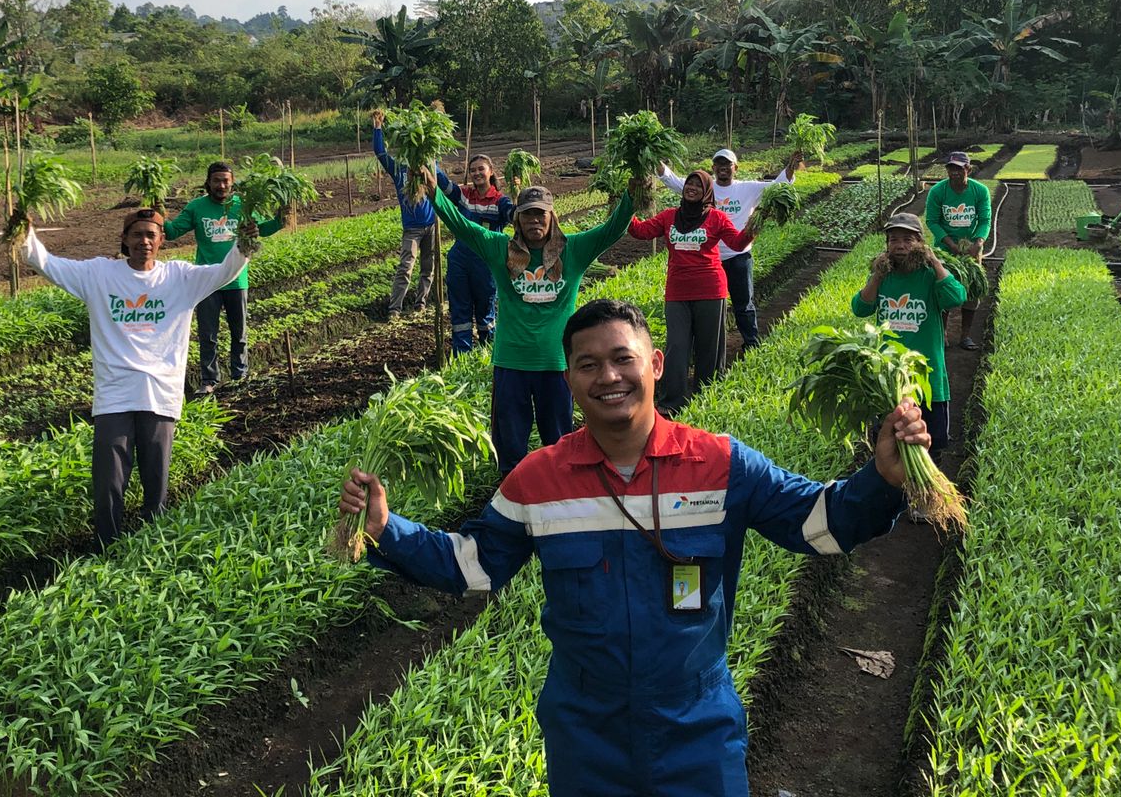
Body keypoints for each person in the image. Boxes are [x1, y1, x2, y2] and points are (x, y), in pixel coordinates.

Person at [338, 298, 929, 797]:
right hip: (585, 729)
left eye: (624, 359)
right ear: (567, 378)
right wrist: (387, 526)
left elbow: (818, 524)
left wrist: (880, 478)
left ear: (656, 364)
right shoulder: (536, 481)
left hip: (696, 724)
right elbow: (472, 567)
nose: (608, 377)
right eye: (588, 364)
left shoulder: (721, 465)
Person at [19, 208, 252, 546]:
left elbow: (227, 271)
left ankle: (150, 548)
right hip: (114, 395)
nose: (144, 240)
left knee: (156, 483)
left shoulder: (180, 278)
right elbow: (47, 263)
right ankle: (106, 548)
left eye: (151, 235)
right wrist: (24, 233)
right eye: (137, 234)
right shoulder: (99, 275)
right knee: (108, 482)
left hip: (159, 394)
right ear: (125, 240)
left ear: (161, 240)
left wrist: (245, 241)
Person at [431, 178, 633, 476]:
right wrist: (432, 191)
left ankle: (562, 495)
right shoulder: (500, 249)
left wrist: (634, 189)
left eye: (541, 214)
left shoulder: (573, 250)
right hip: (511, 364)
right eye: (527, 214)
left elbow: (613, 229)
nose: (535, 220)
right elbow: (461, 225)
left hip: (556, 365)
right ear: (517, 219)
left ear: (552, 217)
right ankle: (512, 499)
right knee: (510, 447)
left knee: (560, 442)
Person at [627, 170, 755, 416]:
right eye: (689, 183)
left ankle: (707, 397)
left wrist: (756, 224)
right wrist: (623, 207)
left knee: (709, 348)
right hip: (677, 292)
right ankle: (671, 401)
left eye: (698, 185)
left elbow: (738, 244)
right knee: (677, 347)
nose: (692, 188)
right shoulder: (669, 217)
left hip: (710, 289)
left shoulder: (716, 218)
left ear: (706, 191)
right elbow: (640, 232)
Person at [659, 146, 801, 353]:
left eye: (728, 164)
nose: (723, 168)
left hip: (738, 256)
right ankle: (704, 348)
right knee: (709, 306)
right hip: (708, 259)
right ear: (713, 167)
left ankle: (751, 343)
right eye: (719, 164)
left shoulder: (748, 188)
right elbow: (671, 179)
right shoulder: (704, 188)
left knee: (744, 302)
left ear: (736, 168)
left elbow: (779, 185)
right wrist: (653, 158)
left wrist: (791, 166)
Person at [850, 212, 965, 456]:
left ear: (920, 244)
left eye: (908, 239)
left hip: (928, 380)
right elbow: (860, 308)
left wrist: (935, 262)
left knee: (928, 451)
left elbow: (957, 297)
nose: (900, 245)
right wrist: (877, 275)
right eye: (893, 240)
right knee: (889, 449)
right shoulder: (884, 277)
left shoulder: (929, 276)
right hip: (889, 379)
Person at [163, 160, 283, 392]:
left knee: (239, 332)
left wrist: (280, 218)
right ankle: (210, 381)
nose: (221, 185)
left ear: (232, 182)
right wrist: (159, 217)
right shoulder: (197, 207)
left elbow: (263, 228)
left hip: (236, 279)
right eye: (216, 180)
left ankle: (240, 375)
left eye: (225, 180)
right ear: (208, 183)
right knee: (208, 334)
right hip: (207, 280)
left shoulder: (242, 205)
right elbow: (174, 231)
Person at [434, 154, 514, 353]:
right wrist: (428, 159)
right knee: (459, 309)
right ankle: (462, 353)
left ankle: (488, 351)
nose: (477, 173)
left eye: (481, 169)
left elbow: (515, 216)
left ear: (491, 172)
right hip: (460, 259)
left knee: (485, 309)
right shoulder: (465, 195)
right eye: (473, 170)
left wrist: (519, 196)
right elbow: (443, 184)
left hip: (486, 263)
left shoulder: (500, 201)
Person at [923, 150, 991, 350]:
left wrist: (978, 243)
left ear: (968, 169)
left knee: (972, 290)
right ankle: (942, 334)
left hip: (972, 249)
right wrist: (951, 245)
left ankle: (965, 336)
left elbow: (985, 220)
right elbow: (932, 221)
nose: (955, 172)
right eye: (951, 168)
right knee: (944, 290)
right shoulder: (938, 192)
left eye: (959, 169)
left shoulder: (980, 191)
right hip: (945, 250)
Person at [370, 110, 436, 317]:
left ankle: (420, 304)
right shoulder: (399, 170)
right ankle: (395, 309)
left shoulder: (429, 168)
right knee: (405, 267)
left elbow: (436, 152)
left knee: (428, 267)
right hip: (412, 229)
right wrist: (377, 128)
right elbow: (380, 153)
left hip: (432, 225)